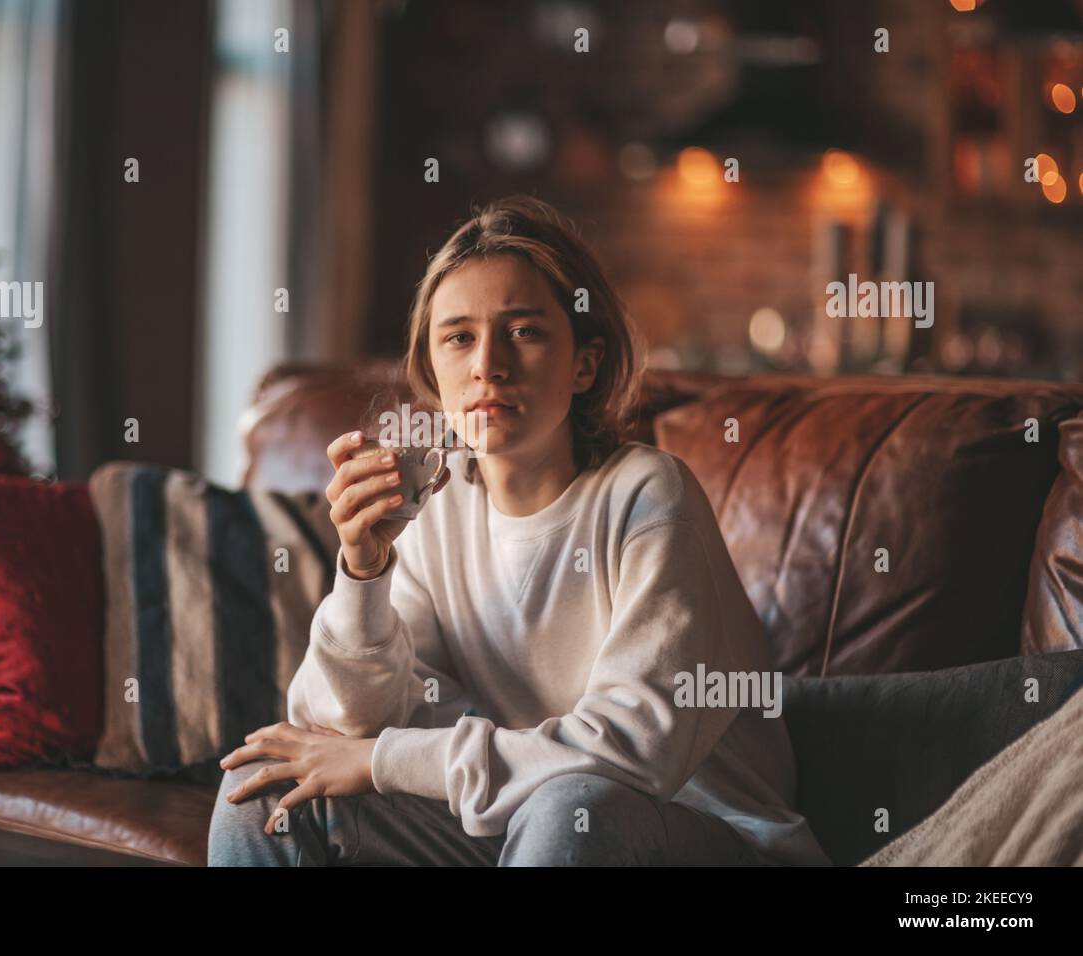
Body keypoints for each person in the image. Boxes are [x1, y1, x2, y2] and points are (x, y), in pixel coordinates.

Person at [208, 196, 831, 867]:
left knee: (574, 809)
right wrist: (362, 571)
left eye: (524, 331)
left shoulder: (650, 497)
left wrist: (385, 760)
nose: (488, 365)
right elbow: (337, 729)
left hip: (698, 834)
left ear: (584, 365)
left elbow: (626, 754)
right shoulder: (434, 511)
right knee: (262, 789)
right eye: (459, 338)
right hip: (516, 822)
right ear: (435, 375)